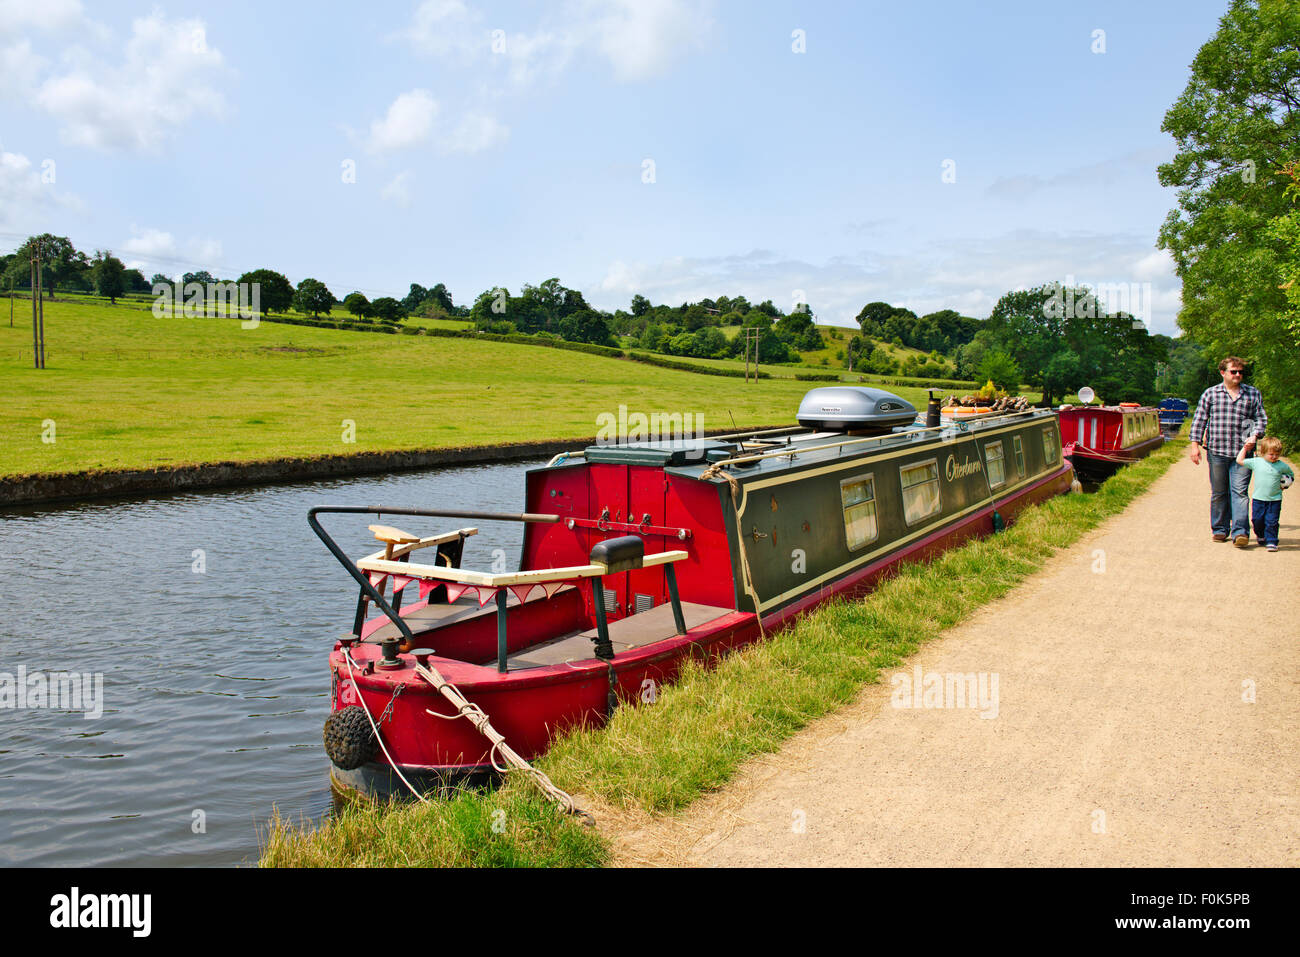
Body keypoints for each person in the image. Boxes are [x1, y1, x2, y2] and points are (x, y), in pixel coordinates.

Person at [1187, 356, 1267, 546]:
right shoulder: (1210, 394)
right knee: (1219, 493)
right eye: (1234, 371)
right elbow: (1199, 420)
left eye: (1240, 372)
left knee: (1239, 492)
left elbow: (1261, 419)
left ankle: (1240, 533)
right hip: (1217, 451)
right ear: (1223, 373)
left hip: (1243, 454)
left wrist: (1255, 436)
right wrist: (1194, 447)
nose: (1238, 375)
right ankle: (1220, 530)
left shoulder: (1252, 394)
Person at [1236, 435, 1293, 551]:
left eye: (1277, 454)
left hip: (1275, 500)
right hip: (1259, 499)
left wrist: (1284, 485)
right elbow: (1239, 460)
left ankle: (1272, 541)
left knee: (1272, 521)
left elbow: (1290, 476)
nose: (1274, 457)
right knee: (1257, 520)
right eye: (1271, 454)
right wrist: (1245, 449)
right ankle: (1261, 535)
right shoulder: (1257, 462)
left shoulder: (1282, 465)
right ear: (1263, 452)